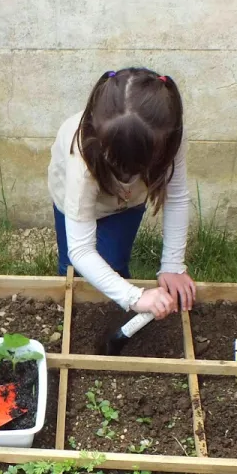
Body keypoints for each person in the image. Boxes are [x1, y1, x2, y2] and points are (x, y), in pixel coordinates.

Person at [49, 68, 195, 318]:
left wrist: (172, 265)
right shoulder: (81, 157)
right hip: (72, 199)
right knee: (74, 268)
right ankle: (79, 313)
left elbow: (177, 196)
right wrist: (134, 296)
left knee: (113, 262)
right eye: (123, 167)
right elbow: (81, 249)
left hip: (127, 205)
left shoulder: (168, 136)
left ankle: (116, 308)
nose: (129, 178)